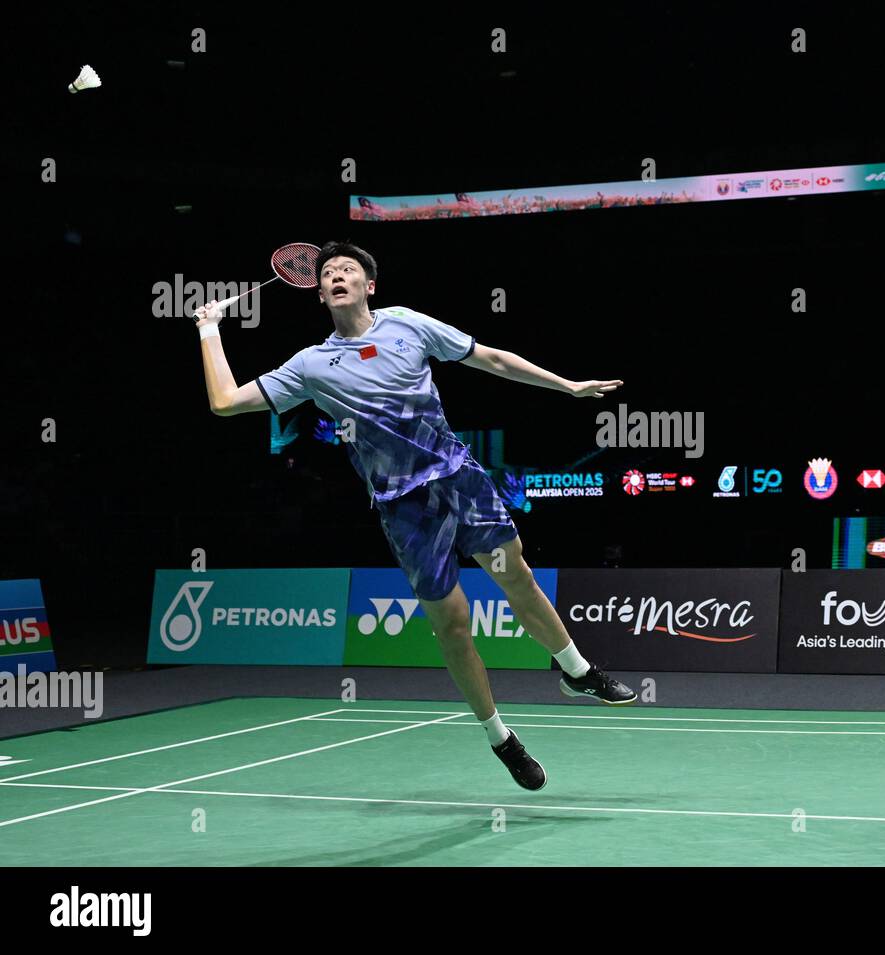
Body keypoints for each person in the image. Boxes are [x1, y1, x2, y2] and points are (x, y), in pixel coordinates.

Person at [195, 241, 635, 791]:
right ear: (318, 290)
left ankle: (577, 671)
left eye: (348, 270)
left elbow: (490, 357)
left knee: (513, 572)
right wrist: (210, 330)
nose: (336, 276)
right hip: (404, 508)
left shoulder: (406, 324)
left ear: (369, 285)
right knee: (452, 625)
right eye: (327, 272)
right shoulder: (309, 366)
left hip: (457, 477)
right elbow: (225, 402)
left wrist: (566, 386)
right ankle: (502, 738)